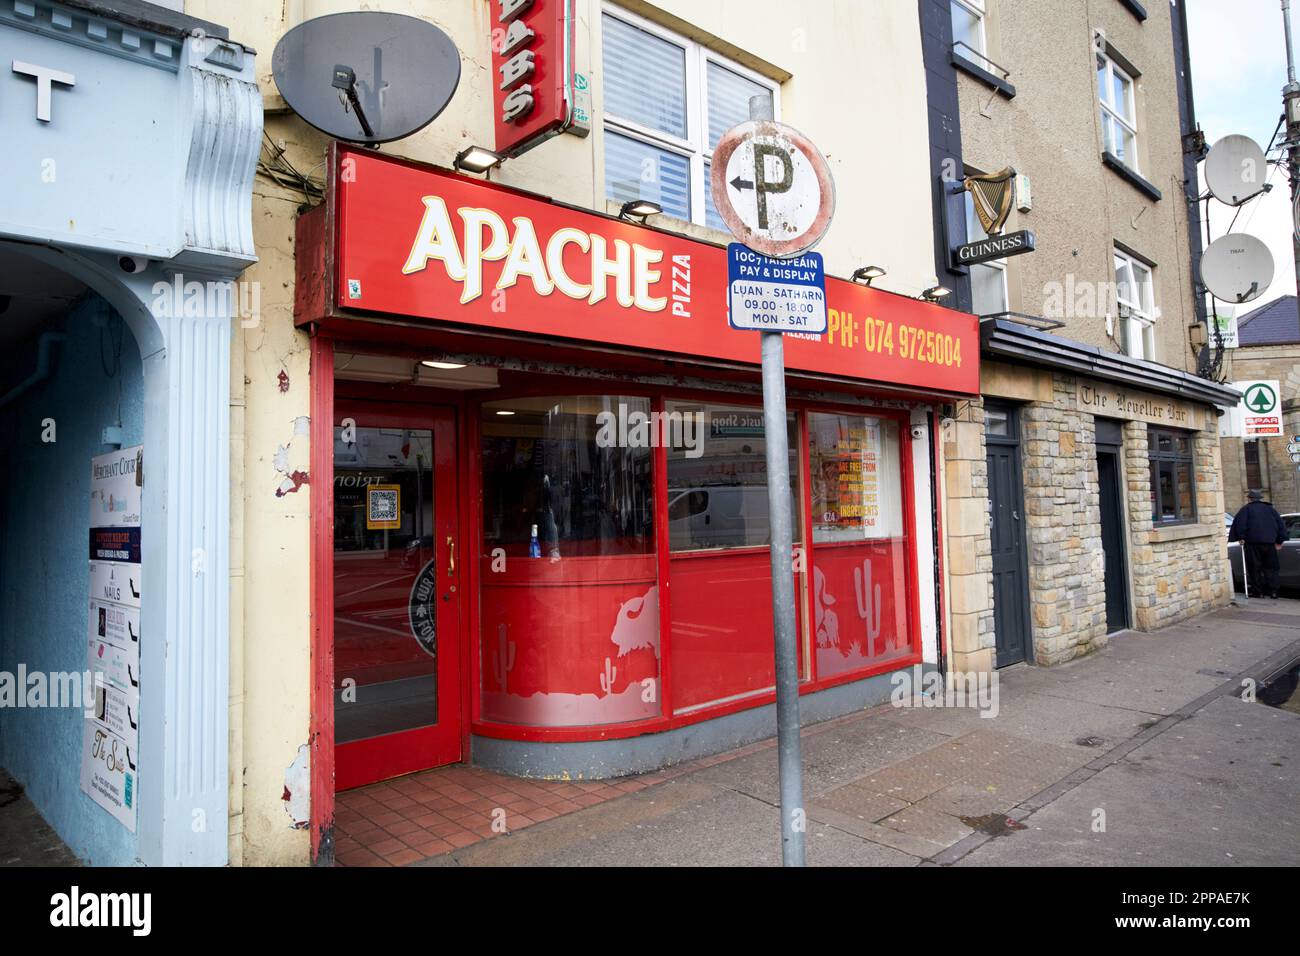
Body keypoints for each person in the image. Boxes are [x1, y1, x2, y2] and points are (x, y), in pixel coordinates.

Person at [1228, 489, 1287, 599]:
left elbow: (1241, 525)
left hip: (1252, 544)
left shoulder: (1246, 510)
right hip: (1269, 544)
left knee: (1254, 568)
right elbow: (1280, 525)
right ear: (1260, 498)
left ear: (1249, 499)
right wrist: (1279, 541)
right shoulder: (1271, 510)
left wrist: (1241, 537)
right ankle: (1273, 592)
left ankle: (1258, 592)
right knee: (1271, 568)